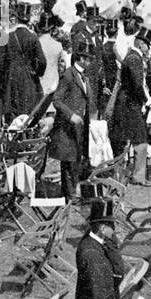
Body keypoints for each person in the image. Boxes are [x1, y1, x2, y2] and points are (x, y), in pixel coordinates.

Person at [48, 40, 91, 200]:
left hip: (78, 126)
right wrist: (70, 115)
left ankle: (72, 192)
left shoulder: (82, 76)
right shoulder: (68, 75)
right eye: (86, 58)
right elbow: (57, 100)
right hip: (67, 126)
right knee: (68, 161)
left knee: (74, 160)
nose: (89, 62)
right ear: (80, 58)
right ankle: (70, 195)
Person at [110, 32, 151, 185]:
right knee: (140, 139)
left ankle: (121, 176)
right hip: (131, 103)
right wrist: (147, 101)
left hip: (126, 102)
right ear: (141, 44)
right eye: (148, 45)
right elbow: (138, 84)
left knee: (124, 139)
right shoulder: (135, 59)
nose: (149, 48)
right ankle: (138, 176)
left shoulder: (132, 57)